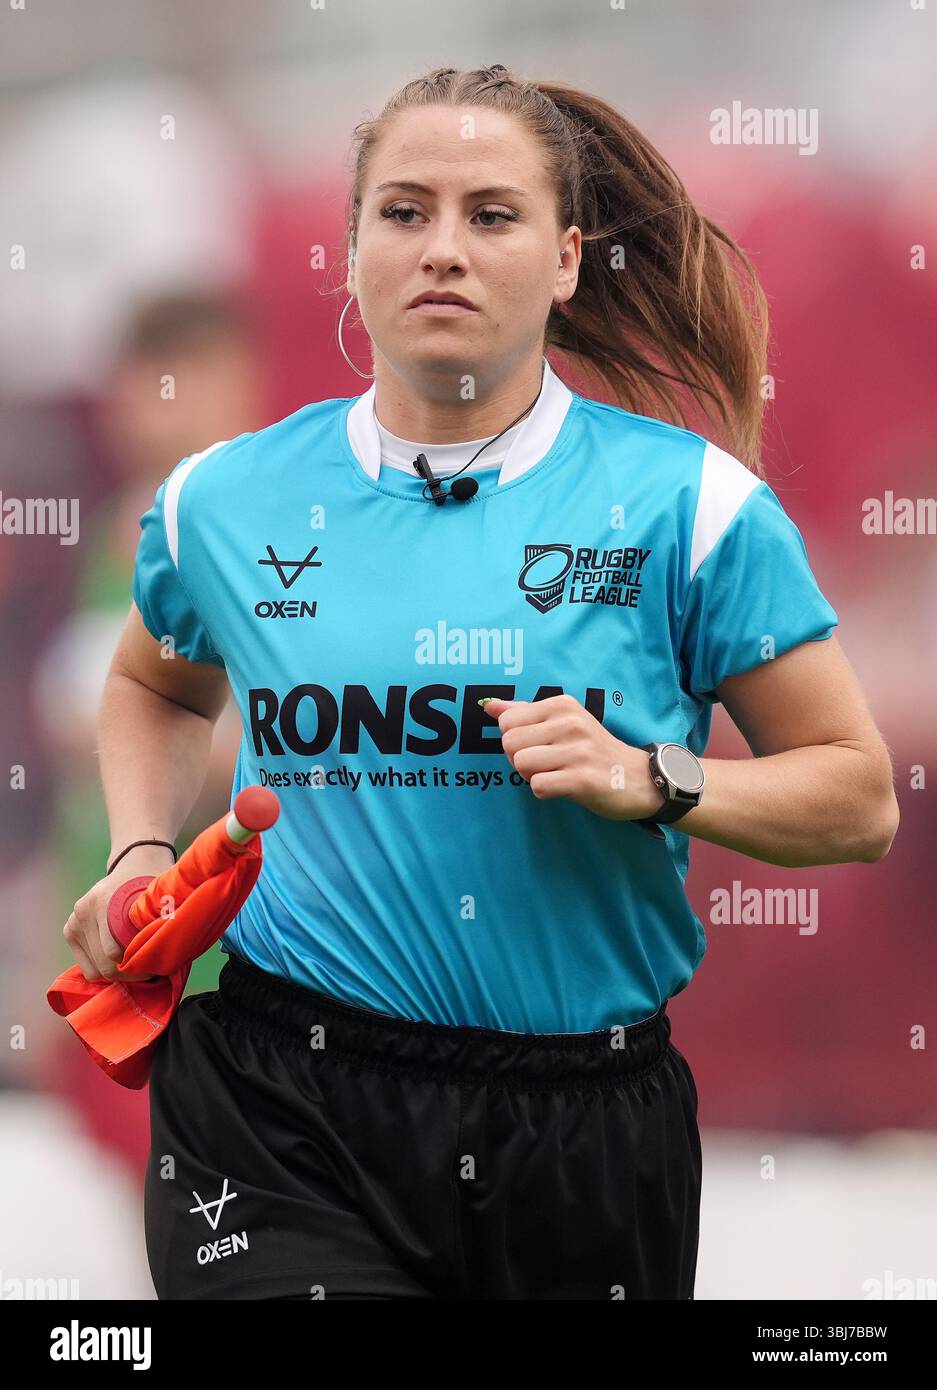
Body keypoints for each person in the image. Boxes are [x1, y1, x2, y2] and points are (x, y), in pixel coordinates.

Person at [63, 64, 899, 1301]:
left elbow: (859, 798)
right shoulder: (223, 499)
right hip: (282, 1100)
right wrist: (139, 849)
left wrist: (651, 776)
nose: (441, 248)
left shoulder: (693, 507)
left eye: (490, 215)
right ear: (350, 250)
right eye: (403, 212)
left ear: (566, 260)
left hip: (583, 1129)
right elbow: (158, 687)